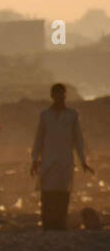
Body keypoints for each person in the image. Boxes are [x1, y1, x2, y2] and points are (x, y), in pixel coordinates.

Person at [30, 83, 94, 230]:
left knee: (63, 192)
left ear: (65, 95)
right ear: (52, 96)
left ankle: (60, 223)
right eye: (57, 94)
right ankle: (47, 223)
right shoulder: (45, 115)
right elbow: (39, 138)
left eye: (62, 94)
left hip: (65, 160)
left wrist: (83, 160)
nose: (60, 97)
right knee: (47, 192)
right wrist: (34, 159)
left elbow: (78, 139)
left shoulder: (72, 115)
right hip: (48, 159)